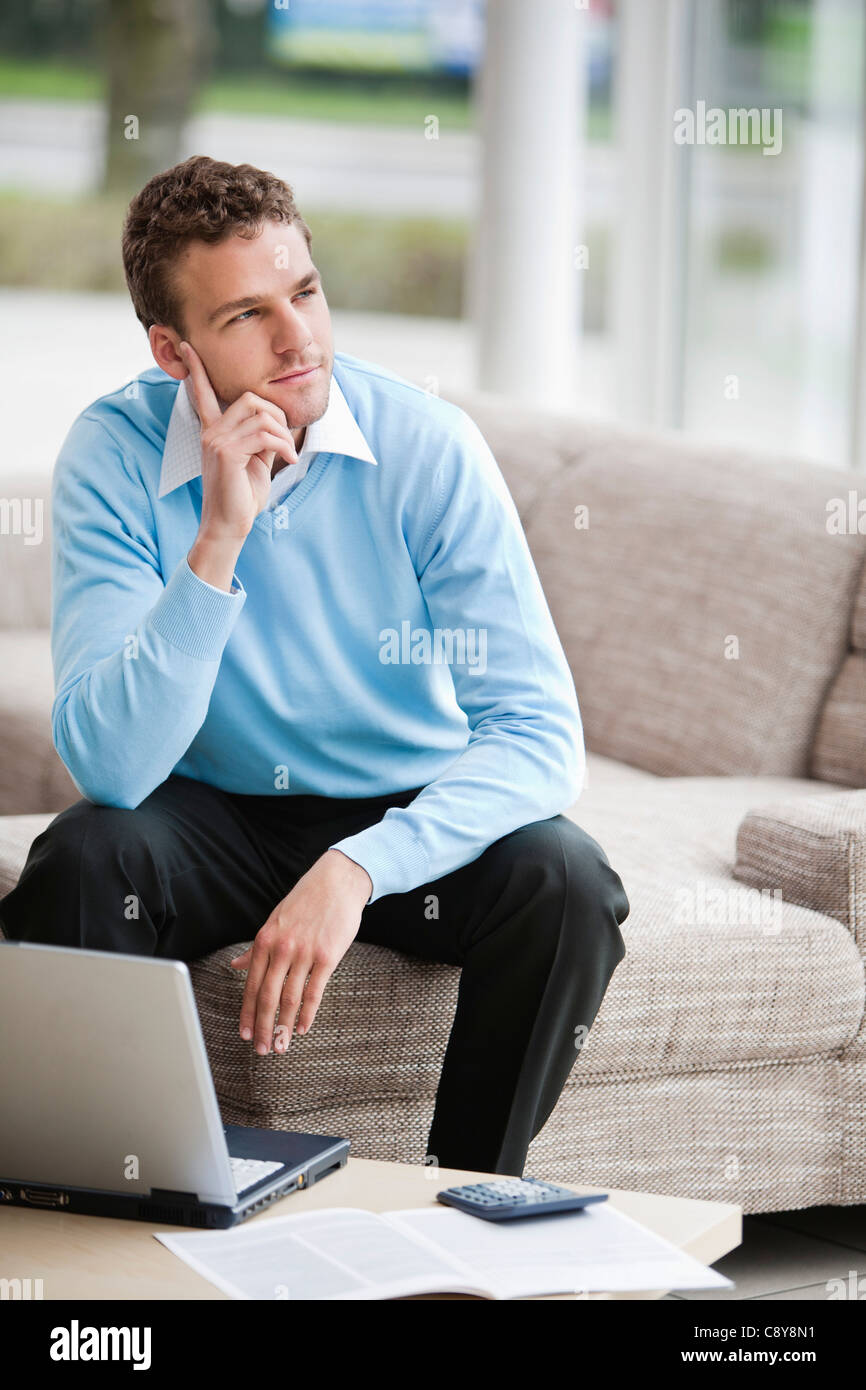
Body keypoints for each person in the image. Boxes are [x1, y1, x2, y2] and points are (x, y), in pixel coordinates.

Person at [0, 155, 630, 1176]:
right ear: (174, 349)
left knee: (564, 880)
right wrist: (216, 542)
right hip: (218, 815)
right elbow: (111, 768)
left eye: (304, 291)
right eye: (247, 315)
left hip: (405, 814)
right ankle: (117, 1190)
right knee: (83, 860)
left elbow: (539, 737)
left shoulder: (428, 449)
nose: (299, 338)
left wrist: (358, 865)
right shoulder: (112, 456)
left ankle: (463, 1196)